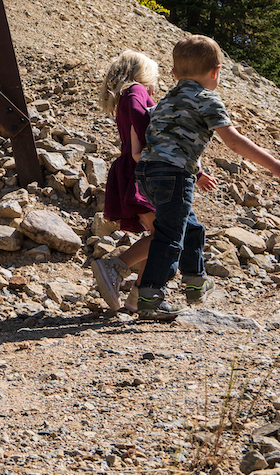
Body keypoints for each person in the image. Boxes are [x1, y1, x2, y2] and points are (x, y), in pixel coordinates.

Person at [134, 35, 280, 320]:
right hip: (175, 175)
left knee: (190, 228)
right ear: (216, 71)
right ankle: (150, 296)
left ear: (174, 73)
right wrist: (273, 164)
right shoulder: (206, 98)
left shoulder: (167, 99)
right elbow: (232, 141)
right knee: (170, 236)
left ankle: (195, 281)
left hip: (147, 173)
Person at [91, 52, 219, 311]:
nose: (157, 82)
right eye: (155, 75)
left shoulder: (126, 94)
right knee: (165, 235)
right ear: (143, 73)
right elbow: (144, 122)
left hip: (137, 168)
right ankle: (115, 267)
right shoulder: (135, 90)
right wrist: (153, 140)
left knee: (159, 234)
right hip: (145, 169)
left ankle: (138, 298)